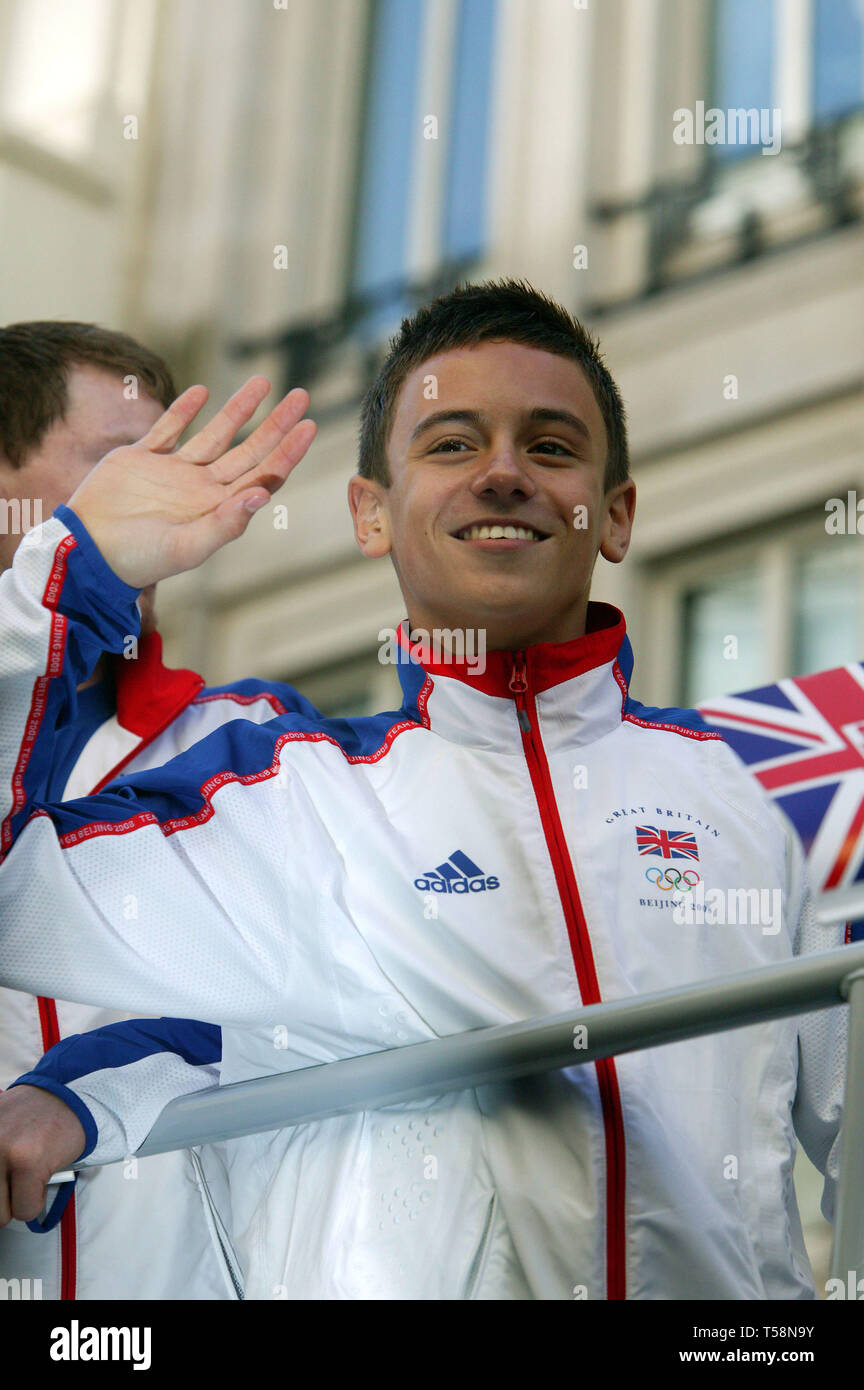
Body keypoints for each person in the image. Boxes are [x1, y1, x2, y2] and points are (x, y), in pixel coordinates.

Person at [0, 281, 844, 1299]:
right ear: (371, 513)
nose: (502, 473)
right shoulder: (287, 795)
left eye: (552, 445)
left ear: (616, 514)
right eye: (450, 444)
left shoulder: (770, 787)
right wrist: (73, 573)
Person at [0, 322, 313, 1300]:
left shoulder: (260, 742)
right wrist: (65, 579)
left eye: (170, 459)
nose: (163, 493)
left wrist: (78, 1093)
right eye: (118, 466)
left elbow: (321, 1009)